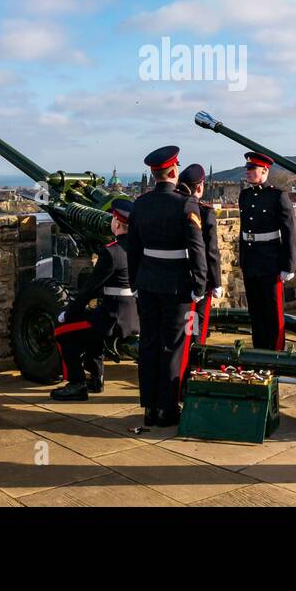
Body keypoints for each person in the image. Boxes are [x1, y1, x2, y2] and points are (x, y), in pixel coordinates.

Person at [127, 146, 209, 427]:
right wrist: (199, 285)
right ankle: (167, 409)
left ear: (154, 174)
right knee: (173, 347)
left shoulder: (141, 204)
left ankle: (149, 407)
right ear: (174, 172)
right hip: (178, 286)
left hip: (147, 283)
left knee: (149, 344)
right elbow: (197, 249)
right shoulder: (186, 204)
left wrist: (134, 281)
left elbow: (133, 248)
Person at [51, 199, 138, 401]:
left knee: (63, 332)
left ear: (116, 222)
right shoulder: (138, 248)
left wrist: (69, 311)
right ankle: (96, 379)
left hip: (112, 318)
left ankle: (76, 383)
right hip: (131, 315)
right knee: (91, 329)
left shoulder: (111, 252)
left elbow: (91, 288)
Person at [238, 151, 296, 350]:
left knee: (272, 314)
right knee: (255, 313)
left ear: (264, 171)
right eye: (247, 168)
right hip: (251, 262)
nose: (248, 172)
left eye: (252, 169)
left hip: (271, 263)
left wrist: (288, 265)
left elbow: (290, 232)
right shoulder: (245, 196)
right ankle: (259, 354)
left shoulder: (278, 196)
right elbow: (244, 232)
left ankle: (274, 357)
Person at [178, 163, 222, 342]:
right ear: (200, 186)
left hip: (175, 277)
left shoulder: (173, 207)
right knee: (196, 324)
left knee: (182, 325)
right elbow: (211, 251)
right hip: (199, 279)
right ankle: (192, 361)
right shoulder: (204, 212)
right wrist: (217, 282)